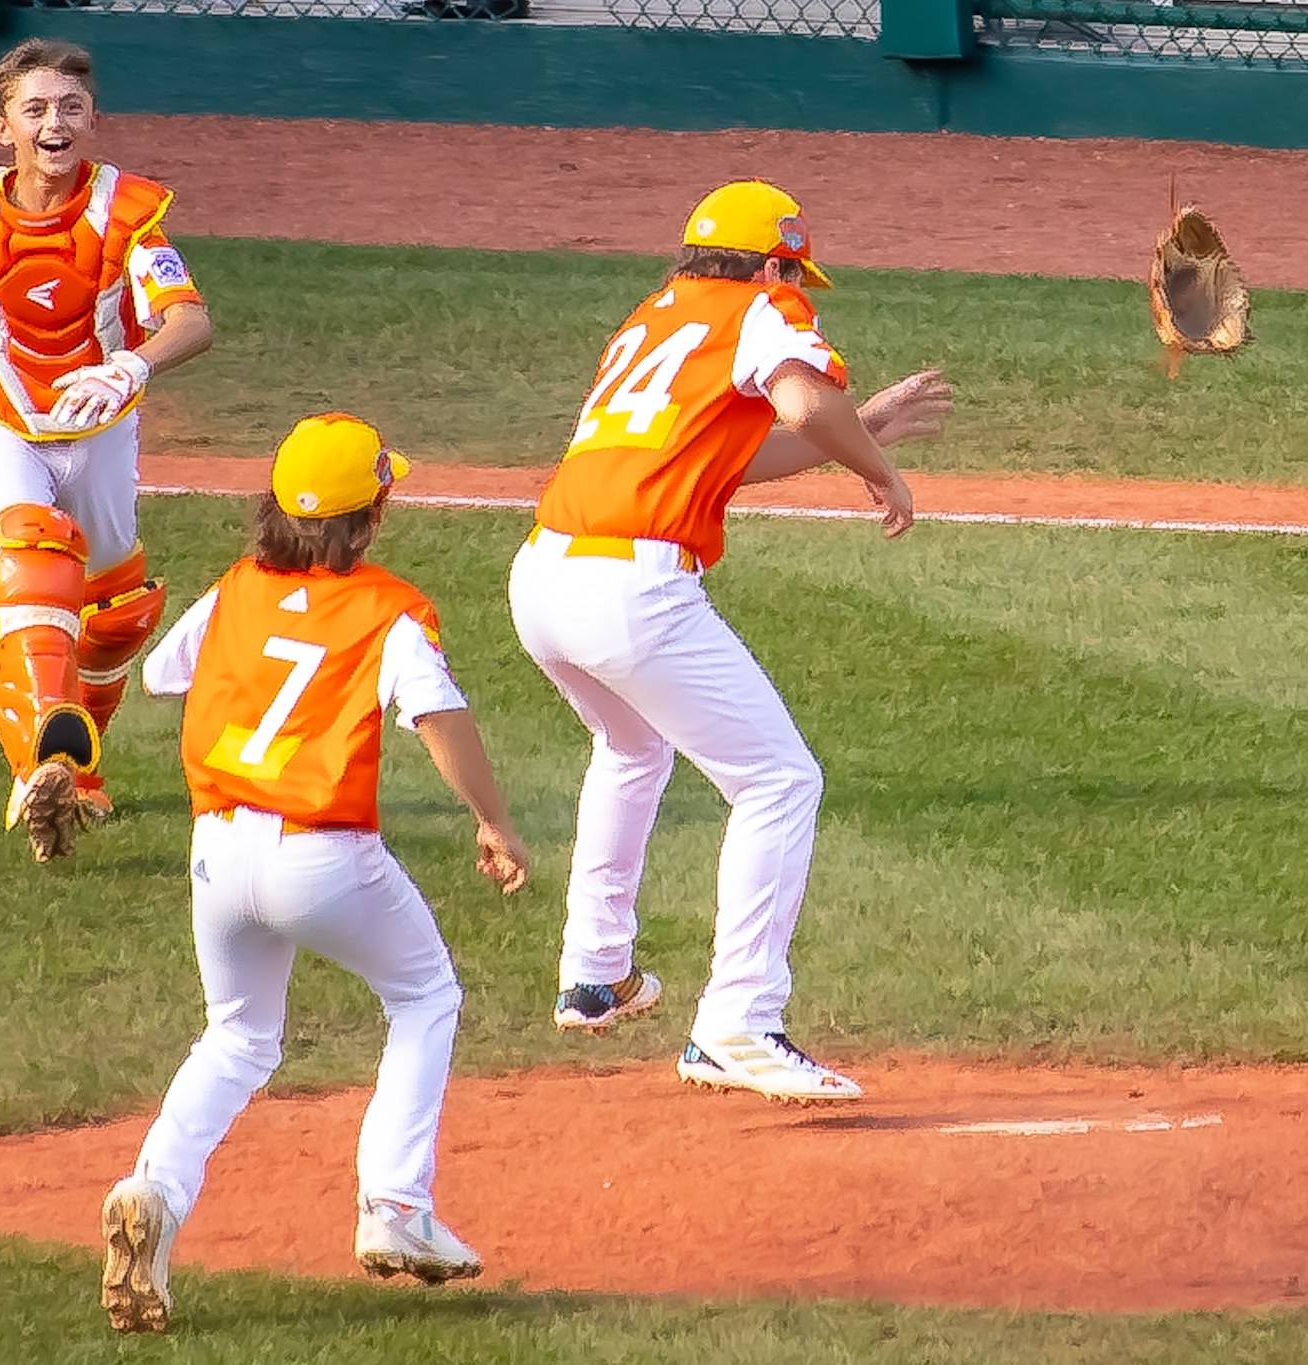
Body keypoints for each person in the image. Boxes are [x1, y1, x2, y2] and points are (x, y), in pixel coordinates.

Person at [508, 181, 952, 1102]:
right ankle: (738, 1020)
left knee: (630, 746)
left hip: (544, 575)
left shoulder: (658, 313)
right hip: (630, 588)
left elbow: (732, 460)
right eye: (793, 268)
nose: (799, 285)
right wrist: (881, 470)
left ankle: (595, 973)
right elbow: (799, 403)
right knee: (780, 780)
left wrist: (856, 428)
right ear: (768, 262)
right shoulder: (762, 306)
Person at [97, 413, 531, 1333]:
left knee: (238, 1037)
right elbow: (440, 716)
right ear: (368, 518)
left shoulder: (235, 588)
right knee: (424, 995)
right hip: (322, 855)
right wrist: (493, 820)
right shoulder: (388, 609)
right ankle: (395, 1208)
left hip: (218, 852)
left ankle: (152, 1193)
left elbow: (166, 676)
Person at [0, 38, 214, 862]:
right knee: (30, 569)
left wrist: (130, 364)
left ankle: (79, 764)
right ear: (0, 126)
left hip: (102, 431)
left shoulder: (126, 213)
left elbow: (191, 319)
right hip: (8, 426)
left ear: (93, 118)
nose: (56, 122)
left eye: (71, 107)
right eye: (36, 108)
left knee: (116, 615)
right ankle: (41, 763)